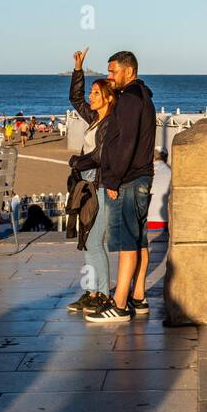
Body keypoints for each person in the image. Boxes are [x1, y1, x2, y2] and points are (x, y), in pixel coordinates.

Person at [87, 51, 157, 324]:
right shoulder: (144, 97)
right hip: (141, 177)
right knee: (139, 239)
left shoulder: (129, 99)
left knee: (128, 242)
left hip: (129, 179)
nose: (109, 76)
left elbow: (126, 142)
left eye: (113, 71)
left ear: (128, 72)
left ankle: (119, 304)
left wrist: (113, 179)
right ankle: (138, 296)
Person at [66, 48, 116, 315]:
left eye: (96, 93)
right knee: (87, 239)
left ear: (107, 98)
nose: (90, 97)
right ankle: (92, 292)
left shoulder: (109, 124)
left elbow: (99, 156)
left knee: (96, 240)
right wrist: (78, 69)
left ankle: (104, 295)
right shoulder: (95, 118)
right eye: (92, 93)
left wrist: (77, 162)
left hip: (98, 184)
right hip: (86, 183)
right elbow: (75, 98)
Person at [148, 148, 171, 232]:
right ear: (166, 158)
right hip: (166, 223)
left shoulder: (145, 172)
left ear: (152, 157)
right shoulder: (172, 173)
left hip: (146, 222)